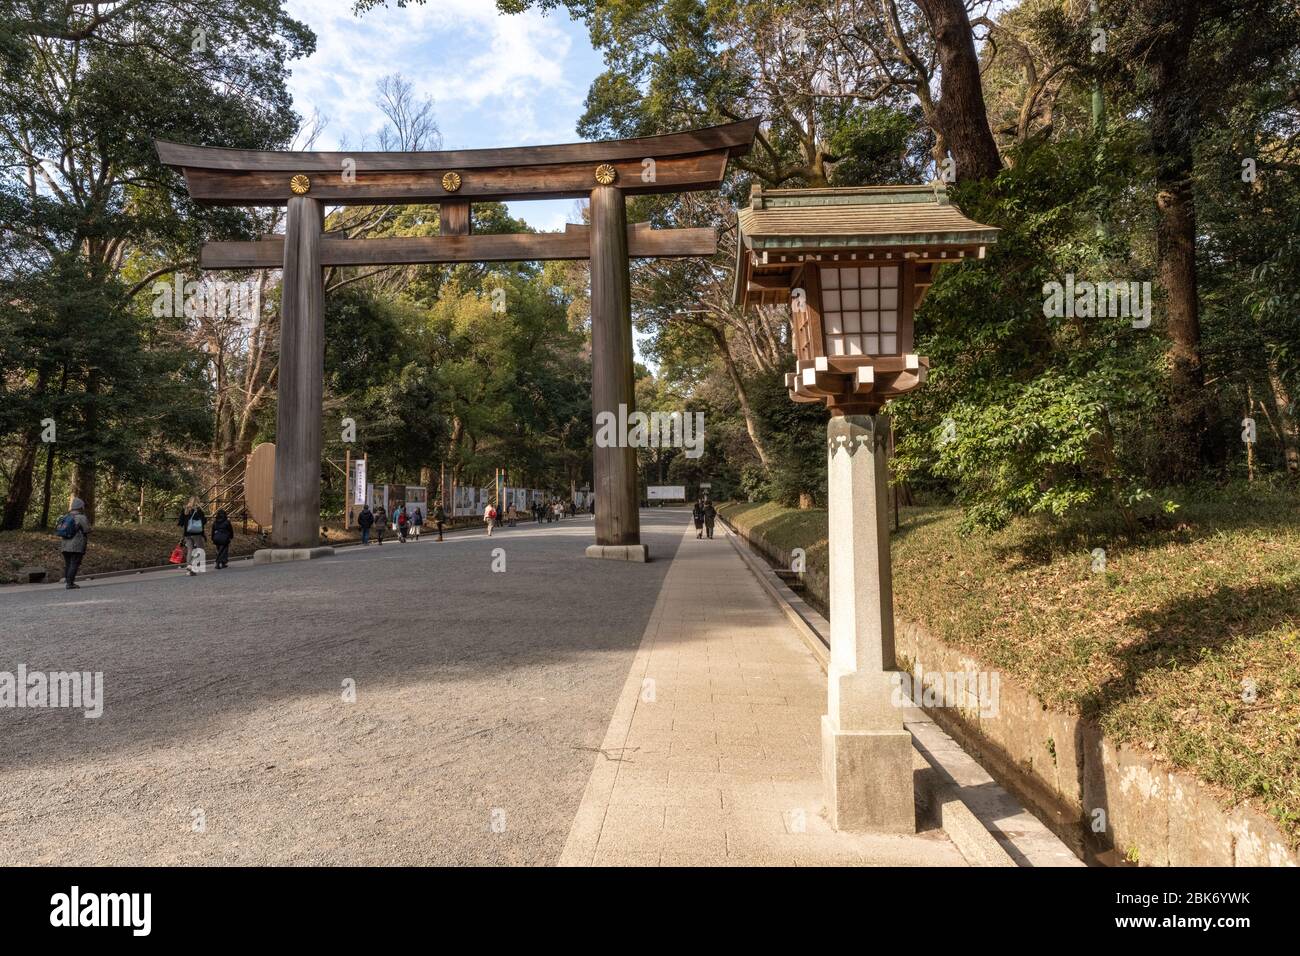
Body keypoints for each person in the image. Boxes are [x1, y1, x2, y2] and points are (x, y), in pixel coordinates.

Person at [56, 496, 92, 589]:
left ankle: (68, 581)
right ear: (80, 507)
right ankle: (70, 583)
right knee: (74, 563)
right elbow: (87, 529)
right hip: (76, 545)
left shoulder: (65, 517)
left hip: (64, 545)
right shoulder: (81, 517)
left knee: (68, 563)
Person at [178, 497, 206, 575]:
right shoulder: (198, 510)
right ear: (198, 502)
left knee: (190, 549)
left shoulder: (185, 509)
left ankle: (189, 566)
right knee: (199, 549)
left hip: (187, 533)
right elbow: (204, 521)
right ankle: (193, 566)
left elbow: (180, 522)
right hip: (196, 533)